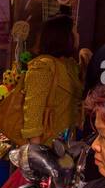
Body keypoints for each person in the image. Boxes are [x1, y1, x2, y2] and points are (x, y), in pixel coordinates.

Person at [20, 14, 83, 144]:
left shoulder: (69, 64)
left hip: (67, 142)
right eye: (75, 31)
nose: (78, 35)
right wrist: (36, 152)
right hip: (48, 144)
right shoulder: (43, 66)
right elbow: (33, 110)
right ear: (64, 36)